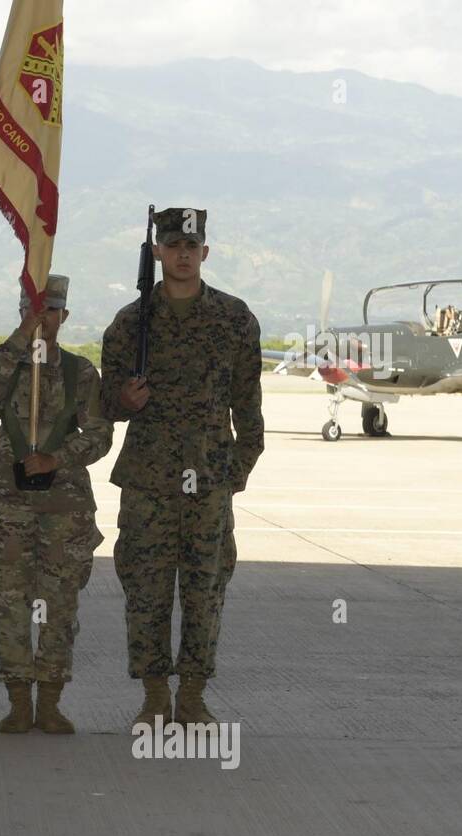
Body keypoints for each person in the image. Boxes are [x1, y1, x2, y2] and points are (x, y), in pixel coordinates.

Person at [99, 207, 264, 727]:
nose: (183, 254)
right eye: (173, 246)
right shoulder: (129, 324)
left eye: (192, 246)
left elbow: (249, 407)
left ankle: (191, 695)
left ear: (205, 253)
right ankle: (153, 696)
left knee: (204, 588)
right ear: (157, 253)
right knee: (146, 588)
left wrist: (236, 469)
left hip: (209, 481)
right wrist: (124, 398)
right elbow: (104, 404)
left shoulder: (235, 320)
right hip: (148, 479)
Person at [0, 275, 112, 734]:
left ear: (65, 316)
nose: (43, 320)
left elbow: (100, 434)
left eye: (52, 311)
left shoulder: (81, 373)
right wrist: (22, 339)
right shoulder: (7, 368)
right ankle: (18, 700)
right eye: (35, 311)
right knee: (10, 606)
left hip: (65, 510)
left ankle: (51, 699)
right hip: (9, 511)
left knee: (59, 607)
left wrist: (58, 456)